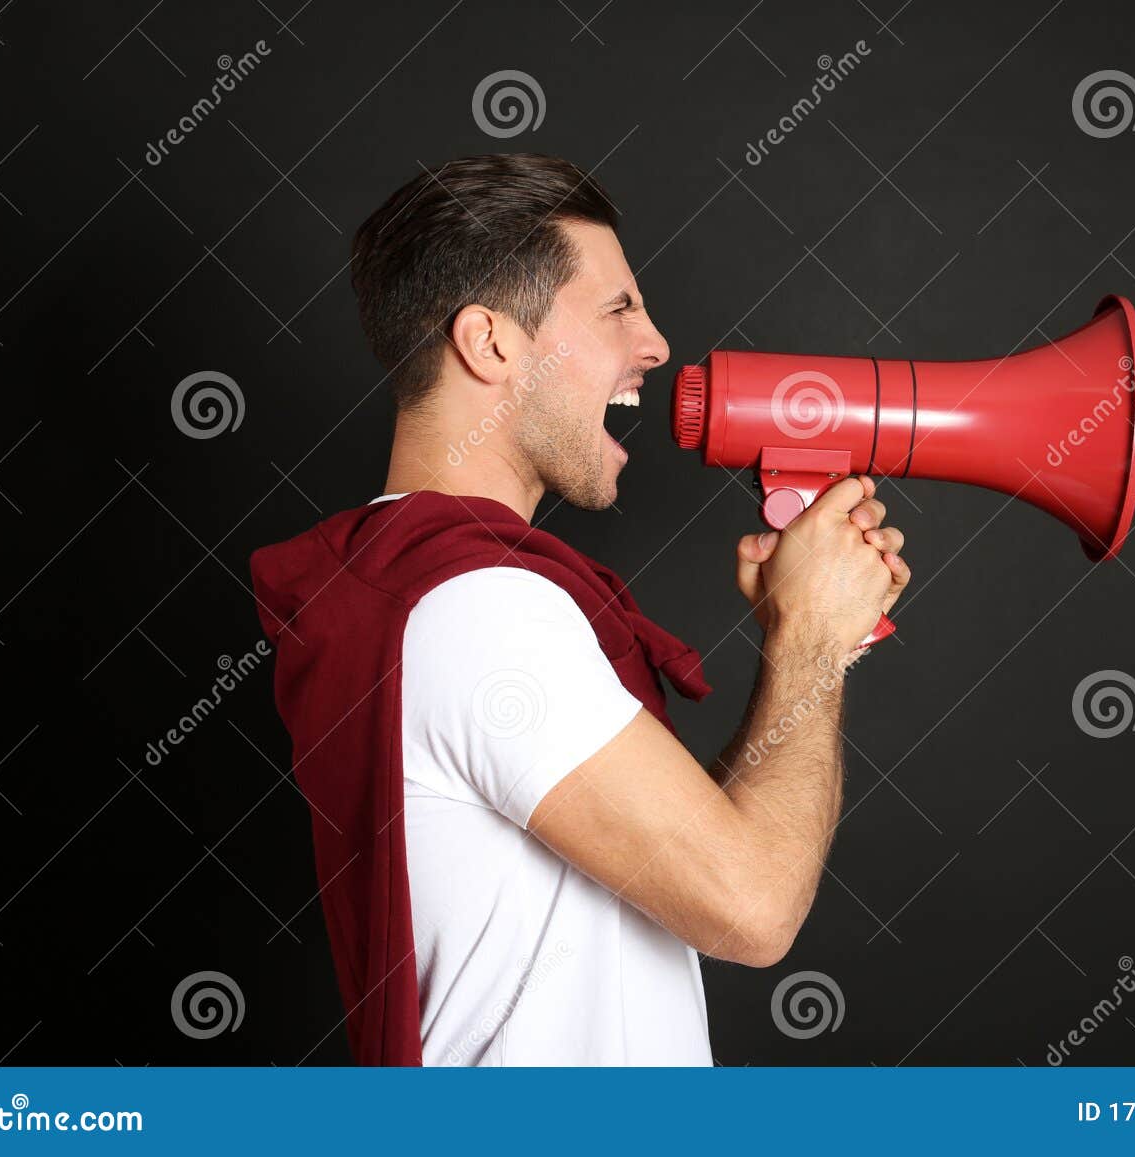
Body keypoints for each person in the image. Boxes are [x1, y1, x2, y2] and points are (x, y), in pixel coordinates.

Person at [249, 153, 910, 1066]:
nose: (656, 345)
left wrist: (802, 639)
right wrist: (813, 640)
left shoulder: (419, 588)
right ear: (490, 342)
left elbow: (681, 855)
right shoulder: (478, 609)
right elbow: (752, 906)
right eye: (616, 310)